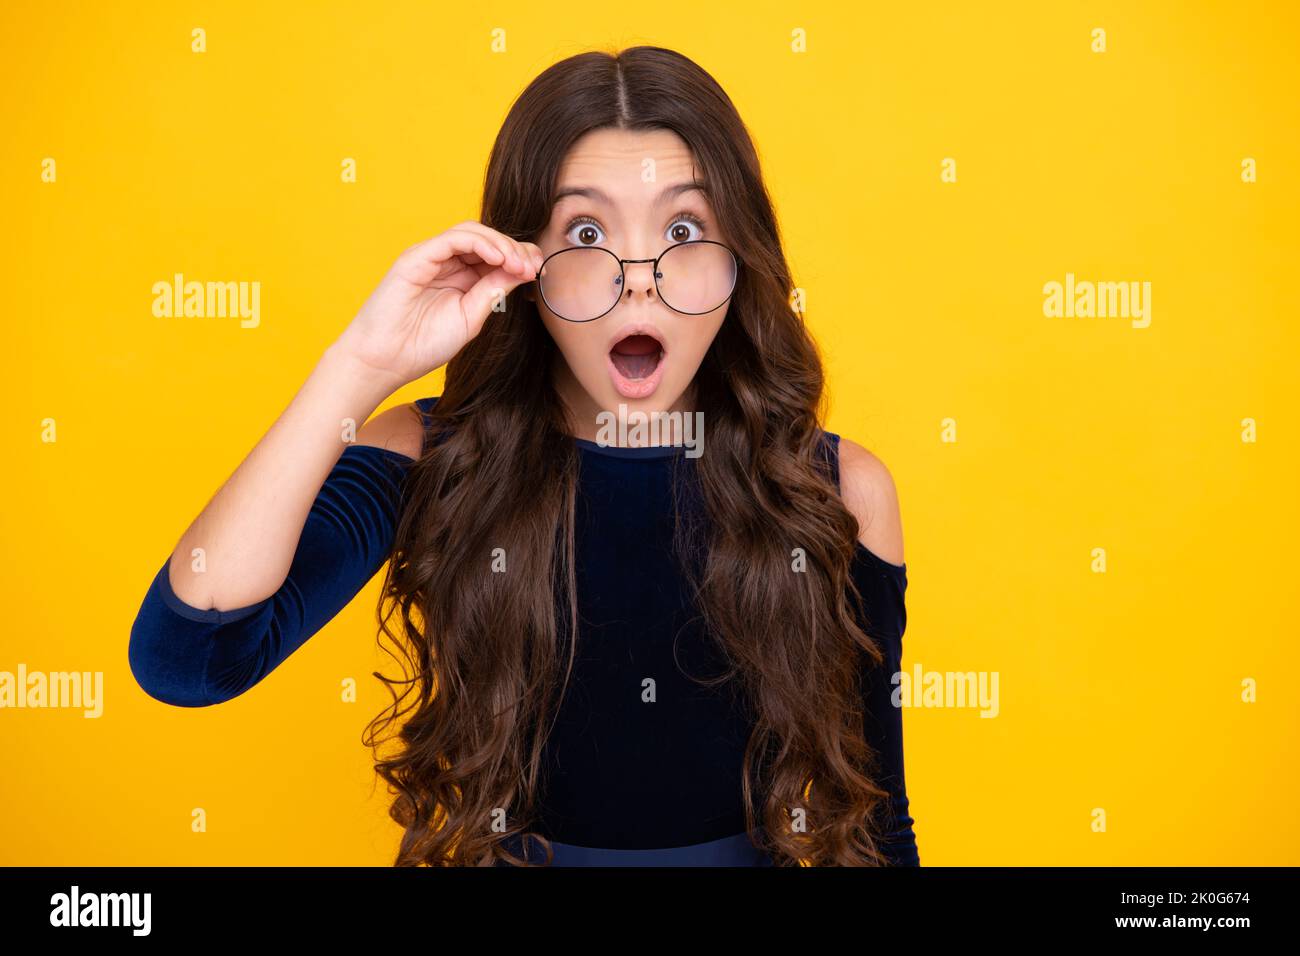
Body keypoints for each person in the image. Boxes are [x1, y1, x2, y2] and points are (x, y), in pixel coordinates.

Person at [128, 45, 918, 867]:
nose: (639, 280)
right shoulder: (432, 456)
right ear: (523, 267)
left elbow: (880, 823)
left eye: (683, 229)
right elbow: (189, 659)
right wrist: (358, 367)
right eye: (586, 230)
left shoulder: (838, 491)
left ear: (739, 259)